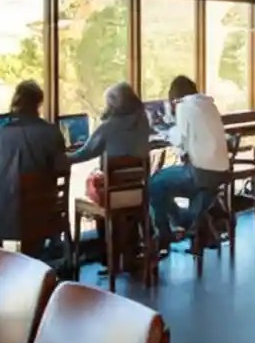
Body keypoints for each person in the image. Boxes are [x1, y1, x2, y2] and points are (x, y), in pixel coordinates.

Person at [0, 80, 69, 248]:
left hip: (0, 213)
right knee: (28, 218)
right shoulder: (51, 132)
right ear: (39, 103)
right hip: (41, 211)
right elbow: (62, 168)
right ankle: (33, 264)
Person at [149, 76, 230, 248]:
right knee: (191, 191)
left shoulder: (184, 107)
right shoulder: (209, 105)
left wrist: (167, 132)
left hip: (201, 172)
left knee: (155, 183)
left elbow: (181, 141)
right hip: (221, 172)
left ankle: (165, 234)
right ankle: (197, 224)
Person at [68, 82, 152, 165]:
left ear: (112, 104)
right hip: (139, 175)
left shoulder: (108, 126)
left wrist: (65, 157)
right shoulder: (143, 121)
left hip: (113, 175)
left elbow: (87, 152)